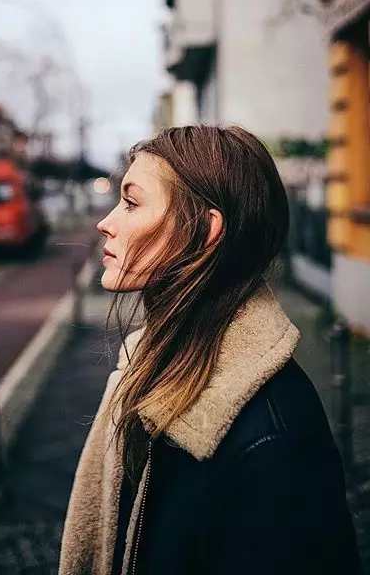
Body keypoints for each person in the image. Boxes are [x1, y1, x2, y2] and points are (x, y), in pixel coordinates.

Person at [58, 125, 361, 575]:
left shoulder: (274, 440)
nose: (107, 221)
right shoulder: (154, 360)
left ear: (204, 231)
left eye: (132, 202)